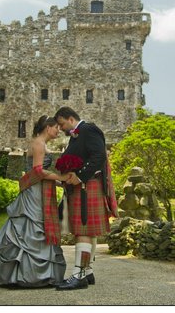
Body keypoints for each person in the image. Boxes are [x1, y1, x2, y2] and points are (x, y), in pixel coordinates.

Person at [0, 116, 68, 288]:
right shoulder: (38, 144)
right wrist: (60, 177)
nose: (58, 131)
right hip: (34, 193)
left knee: (37, 227)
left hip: (39, 190)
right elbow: (37, 171)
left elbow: (41, 172)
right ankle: (26, 275)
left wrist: (61, 182)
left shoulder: (41, 143)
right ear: (47, 127)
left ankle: (37, 274)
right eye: (56, 127)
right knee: (33, 227)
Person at [53, 107, 118, 291]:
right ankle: (87, 272)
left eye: (62, 124)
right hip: (82, 188)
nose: (61, 128)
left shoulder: (89, 130)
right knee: (85, 231)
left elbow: (99, 156)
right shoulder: (77, 135)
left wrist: (80, 176)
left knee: (83, 230)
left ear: (71, 118)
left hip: (87, 187)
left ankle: (79, 275)